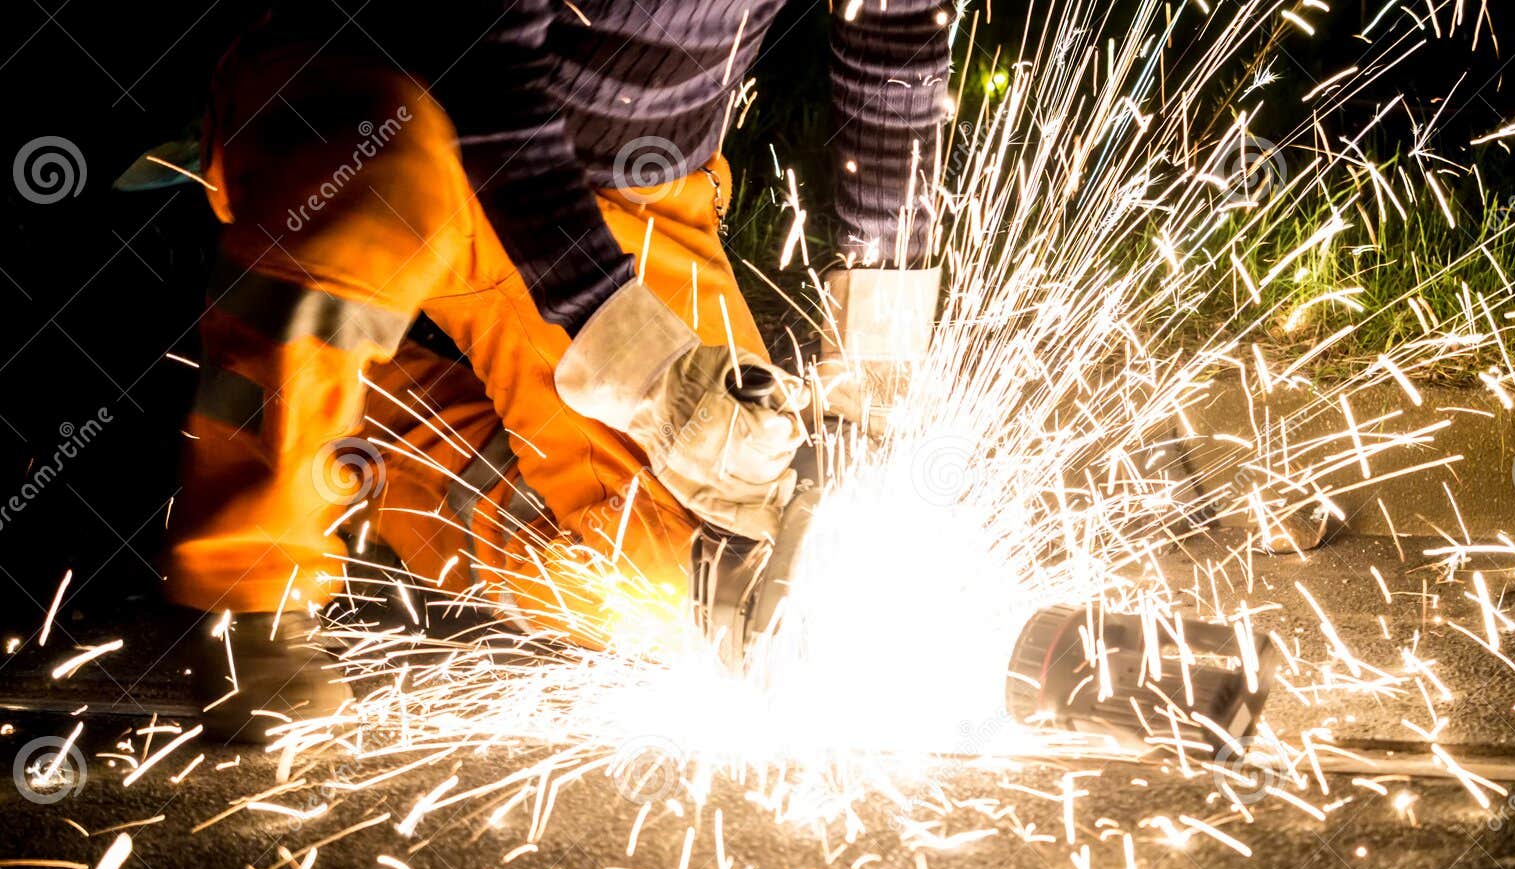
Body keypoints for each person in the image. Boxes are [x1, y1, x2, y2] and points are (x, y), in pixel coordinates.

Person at [164, 0, 950, 740]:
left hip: (633, 193)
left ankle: (319, 417)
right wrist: (641, 366)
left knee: (688, 561)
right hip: (380, 108)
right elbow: (484, 76)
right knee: (383, 169)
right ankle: (250, 586)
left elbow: (897, 43)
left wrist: (870, 385)